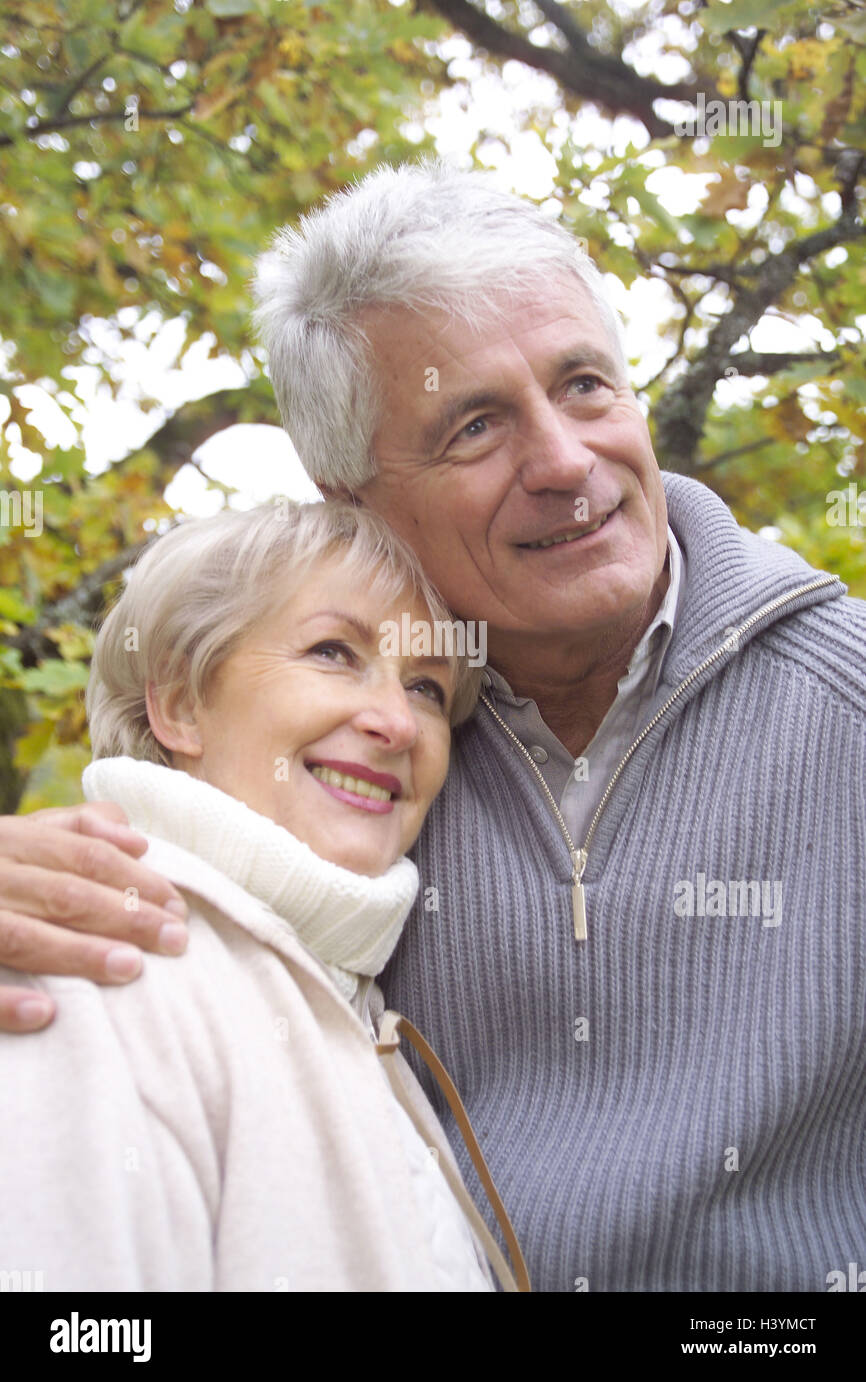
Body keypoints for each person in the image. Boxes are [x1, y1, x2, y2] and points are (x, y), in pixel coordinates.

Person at [1, 163, 864, 1293]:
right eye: (472, 427)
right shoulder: (325, 800)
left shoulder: (846, 704)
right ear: (347, 494)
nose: (563, 462)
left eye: (586, 385)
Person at [0, 497, 528, 1292]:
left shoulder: (353, 1004)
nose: (397, 722)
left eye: (425, 686)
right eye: (332, 652)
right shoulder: (93, 963)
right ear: (178, 704)